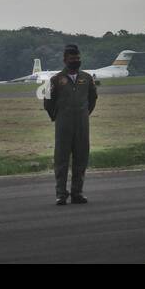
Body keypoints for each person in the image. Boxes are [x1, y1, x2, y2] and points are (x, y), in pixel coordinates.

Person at [43, 44, 97, 205]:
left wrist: (84, 113)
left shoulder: (87, 78)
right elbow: (48, 102)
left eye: (78, 59)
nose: (76, 61)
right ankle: (61, 194)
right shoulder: (55, 79)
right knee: (61, 159)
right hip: (63, 124)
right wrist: (57, 116)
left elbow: (93, 98)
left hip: (82, 124)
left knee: (81, 158)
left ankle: (77, 192)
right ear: (65, 60)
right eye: (72, 59)